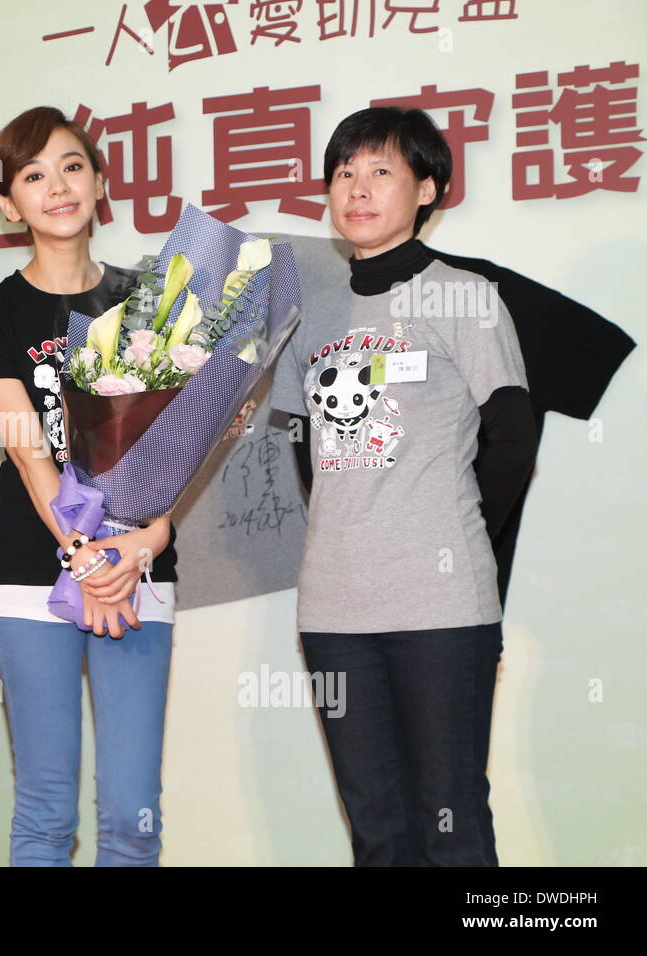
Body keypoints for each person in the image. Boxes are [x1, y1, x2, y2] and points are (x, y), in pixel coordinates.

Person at [270, 107, 538, 866]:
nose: (357, 188)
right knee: (377, 829)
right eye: (344, 172)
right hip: (333, 609)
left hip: (440, 606)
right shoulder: (309, 309)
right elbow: (303, 441)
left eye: (381, 170)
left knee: (448, 821)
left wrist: (449, 534)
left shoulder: (465, 295)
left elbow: (513, 438)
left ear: (427, 188)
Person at [0, 106, 178, 866]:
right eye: (34, 174)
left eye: (73, 165)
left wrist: (150, 537)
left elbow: (179, 440)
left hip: (139, 570)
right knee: (46, 812)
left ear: (101, 182)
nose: (58, 186)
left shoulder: (149, 301)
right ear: (10, 204)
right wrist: (86, 553)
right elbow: (27, 455)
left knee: (131, 814)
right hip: (31, 568)